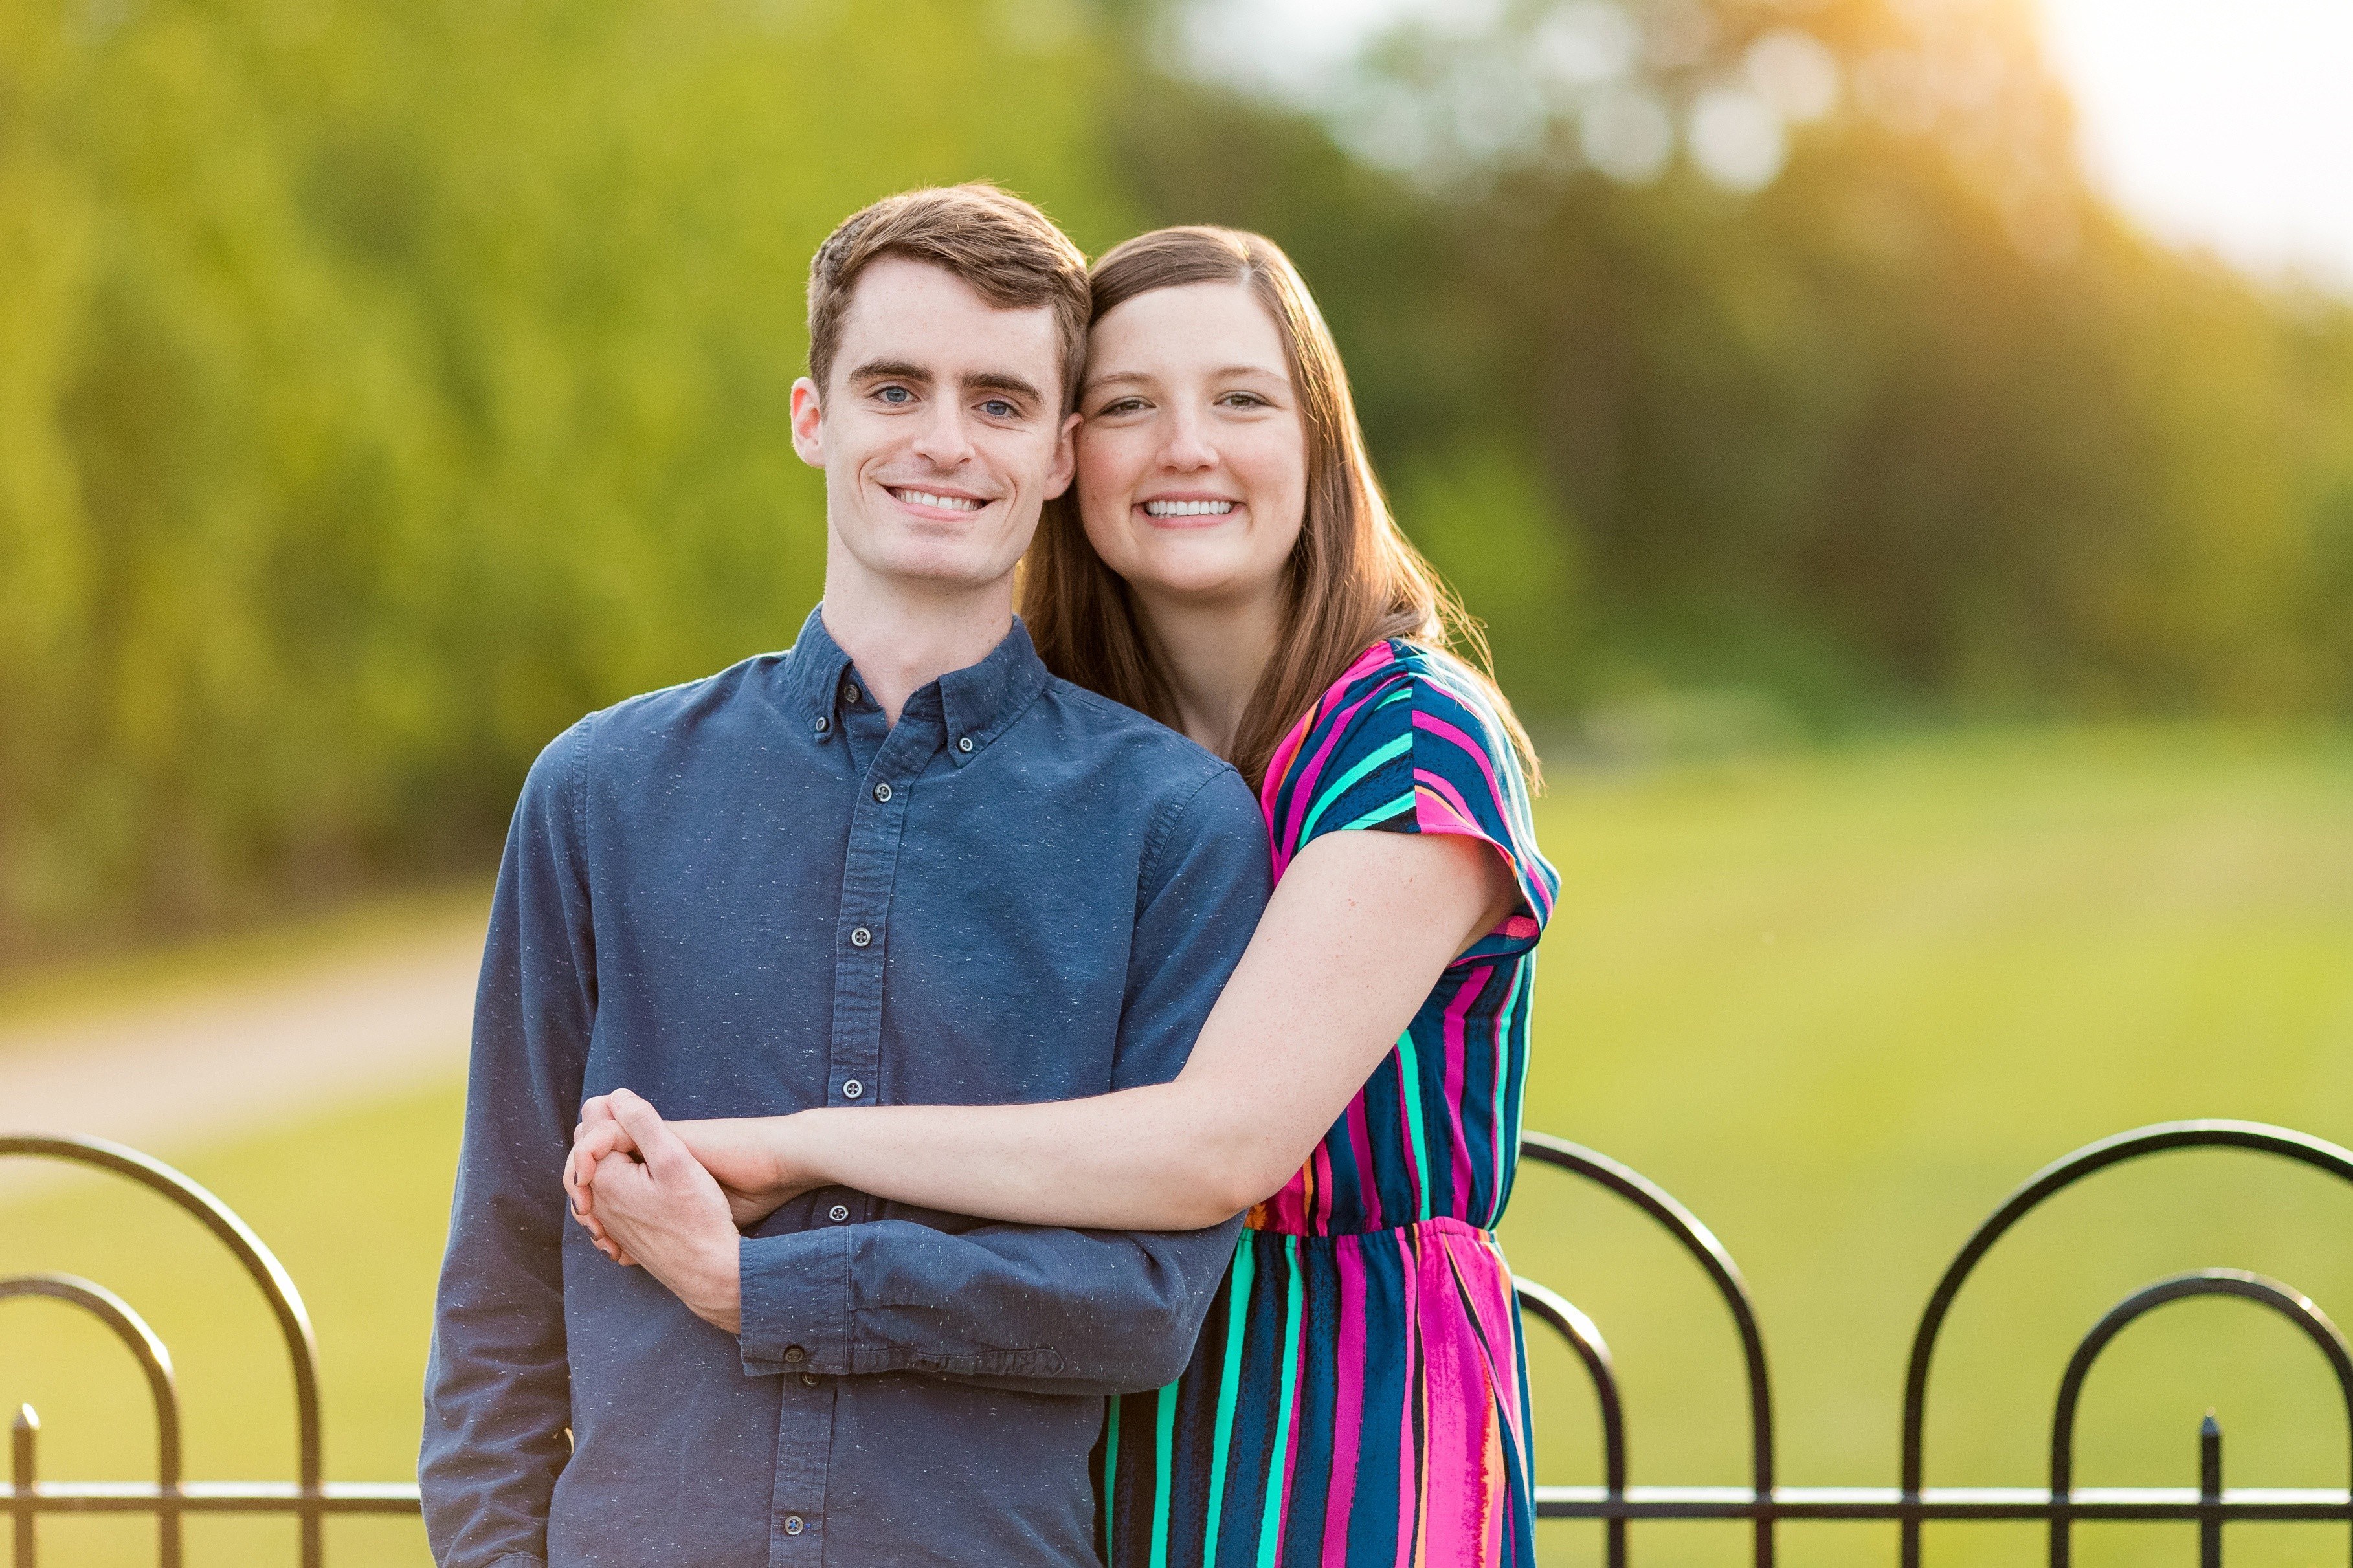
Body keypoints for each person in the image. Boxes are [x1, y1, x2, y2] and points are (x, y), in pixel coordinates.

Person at [572, 226, 1560, 1567]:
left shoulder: (1410, 739)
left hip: (1337, 1412)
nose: (1185, 448)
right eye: (1130, 406)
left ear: (1321, 443)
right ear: (1067, 459)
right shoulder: (1116, 768)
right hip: (1099, 1421)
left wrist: (797, 1153)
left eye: (1242, 400)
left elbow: (1219, 1147)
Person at [419, 187, 1273, 1568]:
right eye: (895, 387)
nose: (944, 440)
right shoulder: (600, 793)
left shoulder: (1171, 828)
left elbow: (1139, 1308)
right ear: (814, 416)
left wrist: (760, 1285)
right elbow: (507, 1268)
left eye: (998, 403)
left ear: (1060, 455)